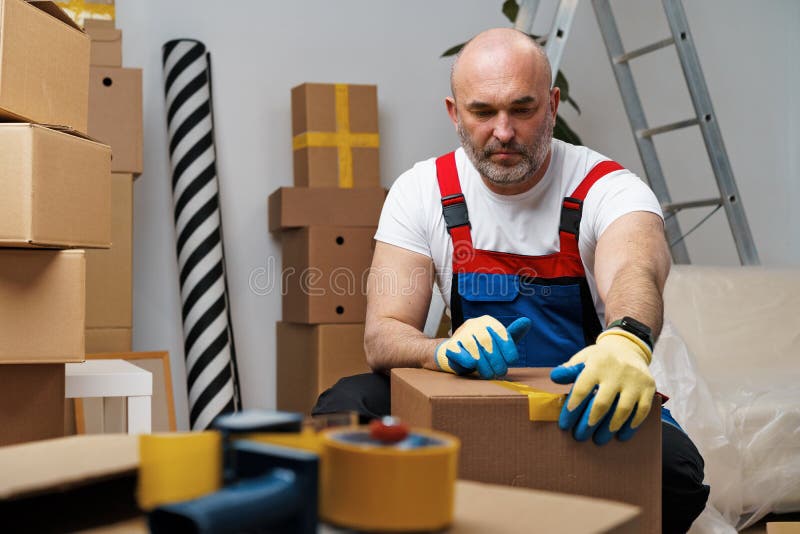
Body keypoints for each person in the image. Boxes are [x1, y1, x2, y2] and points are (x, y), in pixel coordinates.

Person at [313, 28, 709, 533]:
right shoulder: (422, 191)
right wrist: (442, 350)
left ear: (552, 104)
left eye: (522, 109)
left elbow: (635, 267)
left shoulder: (607, 188)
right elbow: (383, 333)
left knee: (675, 473)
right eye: (483, 112)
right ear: (455, 113)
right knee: (343, 412)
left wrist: (627, 341)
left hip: (580, 398)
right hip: (466, 393)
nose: (503, 131)